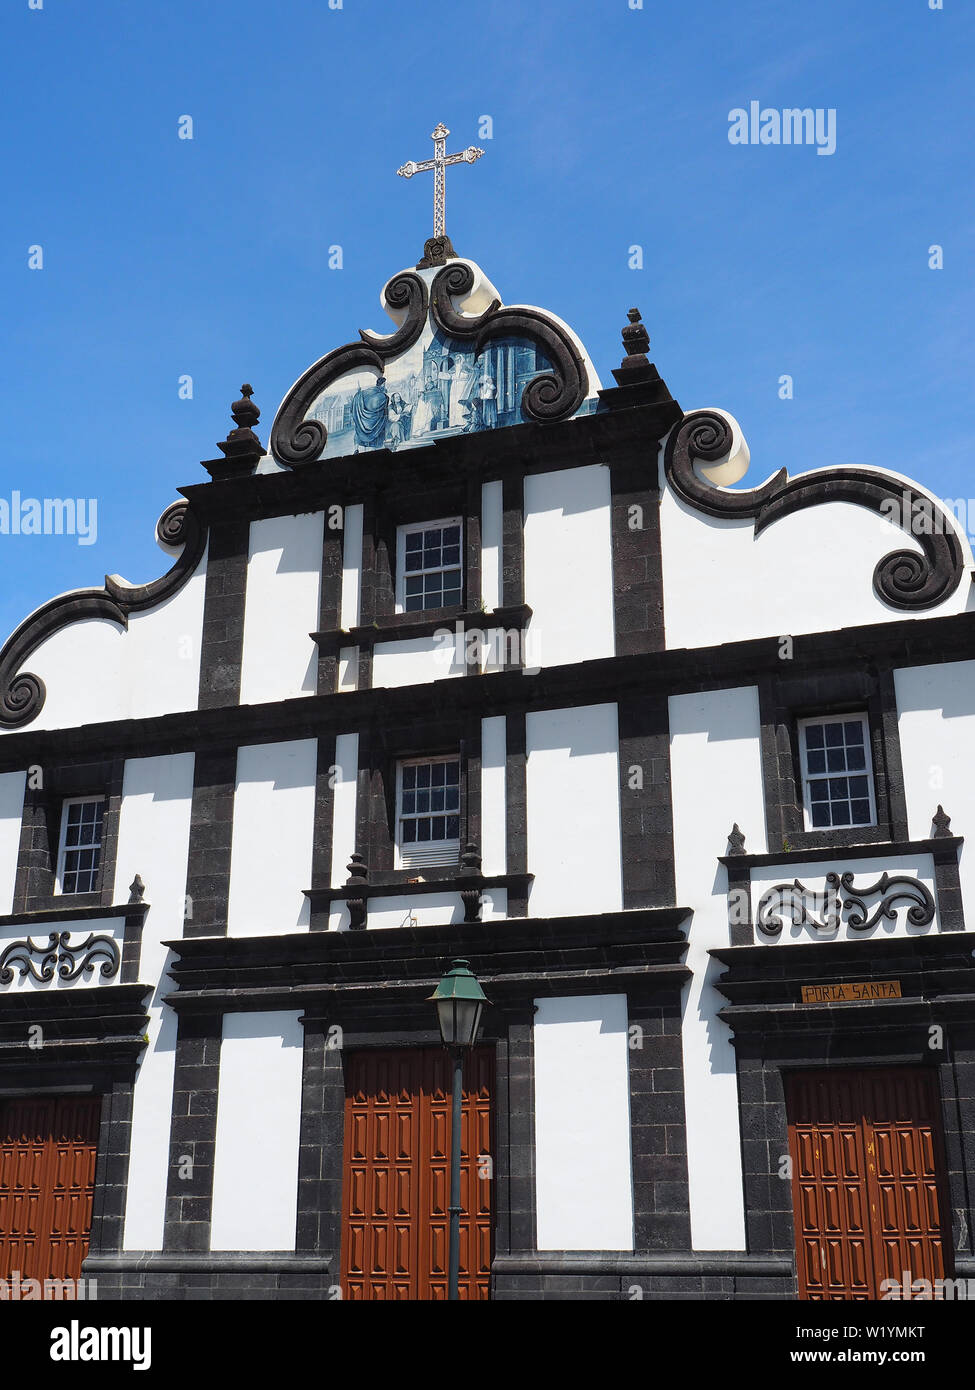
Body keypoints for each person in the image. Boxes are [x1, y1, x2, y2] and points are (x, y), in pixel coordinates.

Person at [350, 375, 389, 452]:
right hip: (374, 421)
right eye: (385, 384)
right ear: (383, 384)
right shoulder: (380, 395)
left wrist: (358, 394)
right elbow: (375, 405)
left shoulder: (368, 391)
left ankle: (357, 449)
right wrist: (385, 397)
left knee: (360, 433)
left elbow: (358, 397)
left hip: (363, 421)